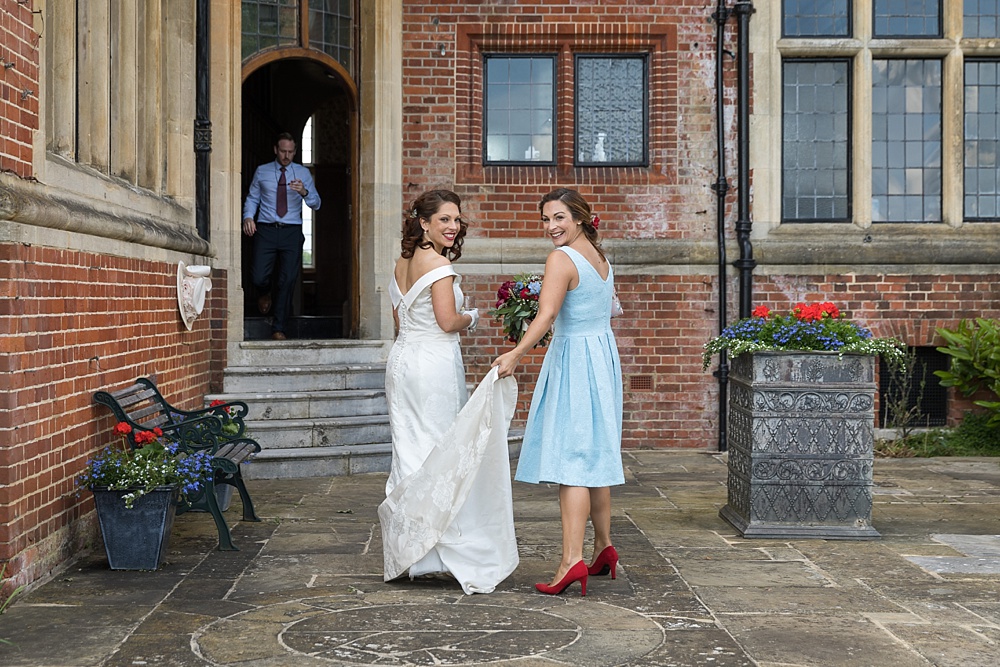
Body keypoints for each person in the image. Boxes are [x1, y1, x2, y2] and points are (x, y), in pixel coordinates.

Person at [378, 189, 519, 595]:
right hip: (433, 366)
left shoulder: (401, 262)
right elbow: (446, 321)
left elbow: (400, 320)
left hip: (403, 361)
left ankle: (413, 552)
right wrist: (472, 316)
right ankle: (439, 551)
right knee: (440, 449)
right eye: (444, 219)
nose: (453, 227)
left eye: (456, 219)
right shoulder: (438, 266)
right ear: (423, 222)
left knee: (410, 448)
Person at [492, 187, 624, 597]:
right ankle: (604, 548)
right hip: (602, 358)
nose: (551, 227)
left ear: (580, 218)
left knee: (573, 461)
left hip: (577, 362)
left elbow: (547, 314)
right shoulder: (600, 258)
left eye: (559, 218)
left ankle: (571, 561)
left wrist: (515, 353)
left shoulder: (561, 259)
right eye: (546, 220)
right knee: (596, 455)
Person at [242, 132, 322, 340]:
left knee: (287, 281)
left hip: (291, 231)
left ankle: (279, 328)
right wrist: (248, 217)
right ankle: (264, 292)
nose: (286, 156)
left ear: (295, 151)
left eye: (290, 152)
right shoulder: (262, 171)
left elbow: (316, 203)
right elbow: (253, 198)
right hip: (266, 228)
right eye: (283, 151)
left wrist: (304, 192)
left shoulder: (303, 174)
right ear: (275, 150)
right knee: (259, 275)